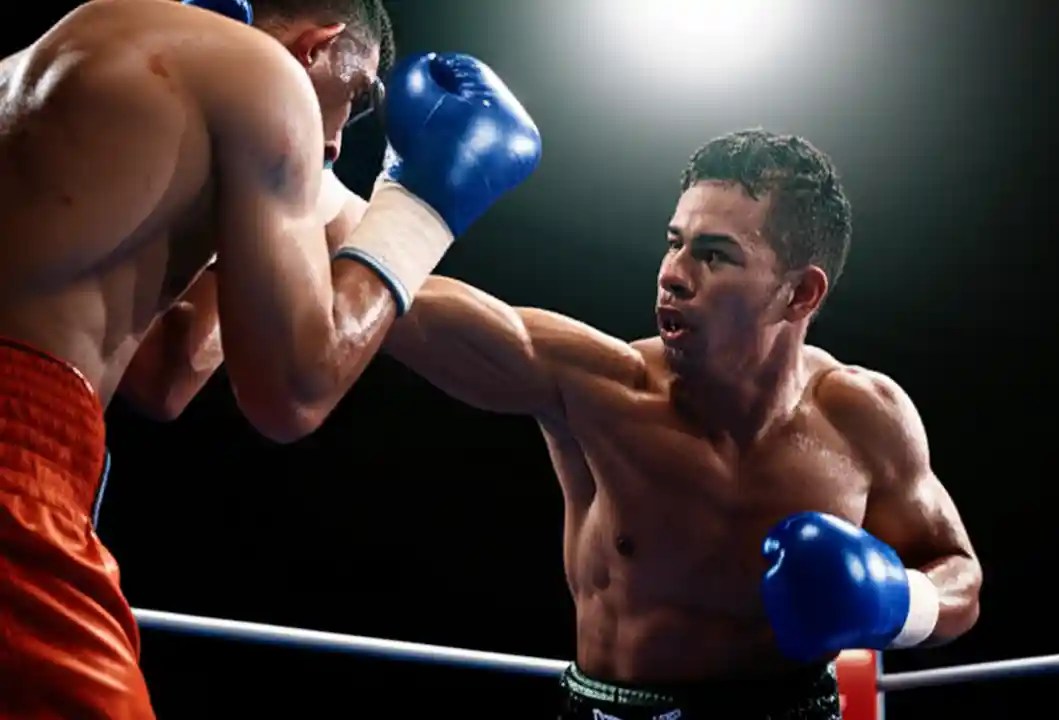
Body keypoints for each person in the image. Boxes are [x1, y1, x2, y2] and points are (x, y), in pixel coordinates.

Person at [0, 0, 540, 715]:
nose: (341, 142)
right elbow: (294, 390)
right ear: (320, 46)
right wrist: (421, 204)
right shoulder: (262, 74)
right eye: (359, 96)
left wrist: (240, 214)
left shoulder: (54, 60)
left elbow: (164, 374)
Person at [379, 129, 983, 719]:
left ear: (799, 295)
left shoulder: (864, 417)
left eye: (714, 254)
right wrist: (379, 202)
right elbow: (402, 311)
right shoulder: (602, 388)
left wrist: (894, 602)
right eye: (675, 242)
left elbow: (960, 577)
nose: (673, 273)